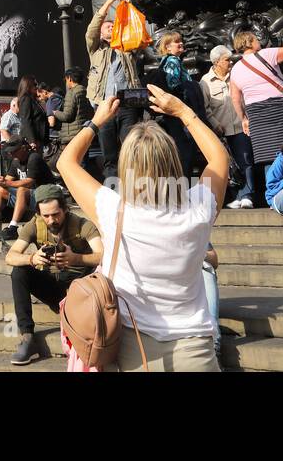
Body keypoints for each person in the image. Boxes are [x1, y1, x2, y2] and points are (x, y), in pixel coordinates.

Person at [56, 85, 230, 371]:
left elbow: (66, 162)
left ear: (126, 168)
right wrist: (183, 112)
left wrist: (96, 122)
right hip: (195, 348)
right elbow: (219, 159)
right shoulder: (199, 208)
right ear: (173, 162)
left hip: (132, 349)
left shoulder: (112, 210)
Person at [4, 184, 103, 365]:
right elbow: (10, 256)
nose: (51, 220)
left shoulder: (82, 225)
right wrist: (32, 258)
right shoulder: (34, 225)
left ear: (65, 209)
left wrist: (76, 258)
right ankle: (27, 337)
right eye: (46, 215)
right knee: (19, 272)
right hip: (53, 288)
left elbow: (103, 255)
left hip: (80, 291)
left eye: (56, 214)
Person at [230, 18, 283, 190]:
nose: (259, 42)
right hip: (280, 108)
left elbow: (235, 98)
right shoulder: (267, 54)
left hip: (256, 114)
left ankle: (273, 192)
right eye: (256, 39)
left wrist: (244, 119)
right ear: (249, 42)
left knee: (267, 154)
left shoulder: (235, 69)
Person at [87, 0, 149, 179]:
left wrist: (128, 6)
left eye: (113, 26)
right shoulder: (96, 49)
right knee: (109, 153)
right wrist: (108, 2)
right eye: (108, 27)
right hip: (104, 105)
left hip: (128, 104)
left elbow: (137, 29)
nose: (111, 28)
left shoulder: (126, 47)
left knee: (131, 148)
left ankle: (133, 186)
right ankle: (112, 188)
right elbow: (92, 28)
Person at [145, 30, 210, 176]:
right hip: (178, 112)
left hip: (172, 114)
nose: (181, 43)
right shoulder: (172, 61)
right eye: (176, 42)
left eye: (181, 40)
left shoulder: (167, 61)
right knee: (185, 149)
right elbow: (173, 84)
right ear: (168, 47)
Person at [200, 45, 257, 208]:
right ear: (217, 62)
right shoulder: (205, 81)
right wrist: (215, 124)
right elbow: (205, 108)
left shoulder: (236, 76)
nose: (231, 62)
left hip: (240, 127)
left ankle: (246, 195)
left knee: (245, 161)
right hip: (221, 130)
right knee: (227, 166)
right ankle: (233, 197)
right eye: (227, 60)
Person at [50, 67, 87, 150]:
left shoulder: (71, 93)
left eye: (66, 80)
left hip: (73, 135)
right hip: (84, 132)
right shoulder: (85, 91)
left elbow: (67, 116)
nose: (66, 82)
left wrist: (56, 113)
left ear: (70, 78)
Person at [15, 76, 49, 154]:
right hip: (32, 142)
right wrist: (32, 140)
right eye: (34, 84)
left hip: (39, 140)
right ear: (28, 86)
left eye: (37, 84)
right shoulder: (26, 99)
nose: (37, 87)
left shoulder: (33, 100)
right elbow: (26, 120)